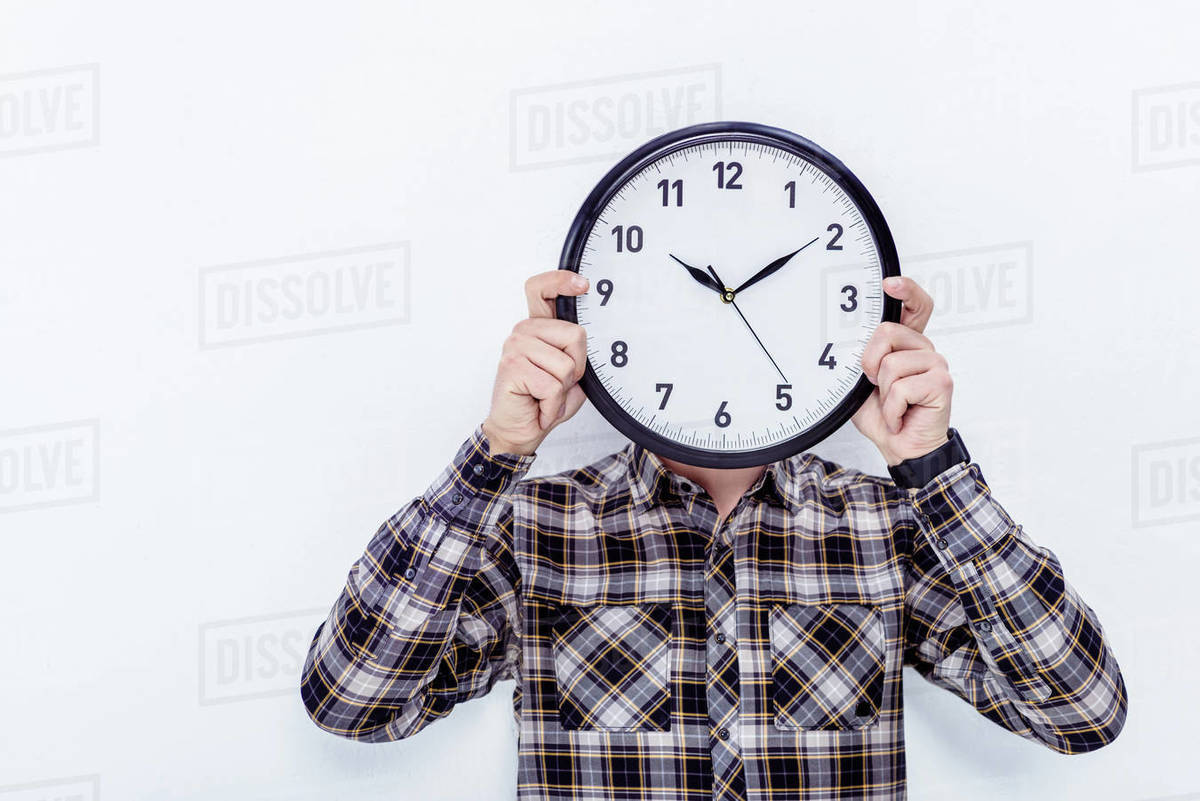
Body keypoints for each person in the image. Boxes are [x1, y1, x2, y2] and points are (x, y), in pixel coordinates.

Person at [300, 270, 1127, 801]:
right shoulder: (537, 528)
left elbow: (1081, 710)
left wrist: (931, 468)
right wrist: (499, 451)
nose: (719, 330)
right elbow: (350, 699)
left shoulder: (886, 527)